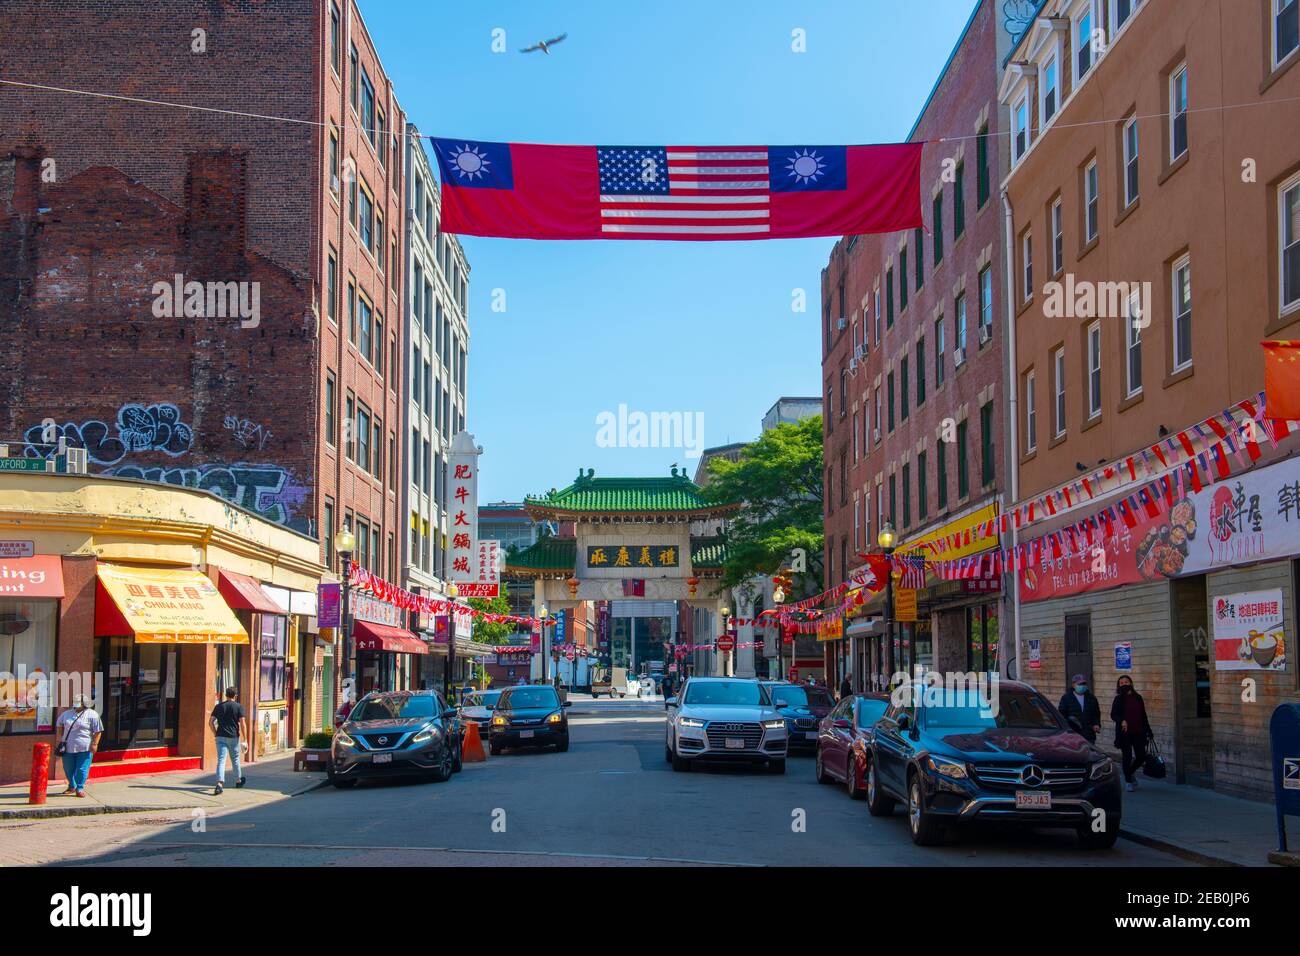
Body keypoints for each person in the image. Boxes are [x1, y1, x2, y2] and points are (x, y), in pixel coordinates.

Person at [54, 694, 103, 798]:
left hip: (85, 747)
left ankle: (79, 788)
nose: (75, 703)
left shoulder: (92, 714)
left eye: (78, 701)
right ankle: (72, 786)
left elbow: (98, 731)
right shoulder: (66, 714)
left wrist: (95, 744)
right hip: (67, 747)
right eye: (74, 701)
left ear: (84, 703)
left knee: (81, 769)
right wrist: (59, 739)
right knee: (68, 768)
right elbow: (59, 725)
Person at [1110, 675, 1152, 791]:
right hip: (1124, 733)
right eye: (1122, 683)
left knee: (1141, 756)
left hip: (1138, 731)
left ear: (1131, 683)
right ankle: (1128, 781)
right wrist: (1122, 720)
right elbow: (1113, 715)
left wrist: (1148, 730)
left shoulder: (1138, 698)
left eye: (1126, 682)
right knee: (1127, 757)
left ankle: (1130, 772)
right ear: (1119, 685)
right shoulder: (1118, 699)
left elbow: (1143, 715)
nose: (1124, 684)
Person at [210, 686, 247, 795]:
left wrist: (215, 733)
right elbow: (243, 724)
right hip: (233, 737)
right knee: (235, 759)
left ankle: (219, 784)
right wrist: (245, 738)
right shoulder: (238, 707)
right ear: (235, 696)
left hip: (220, 736)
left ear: (226, 695)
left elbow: (210, 722)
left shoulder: (219, 707)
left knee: (221, 760)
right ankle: (238, 780)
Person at [1058, 673, 1102, 743]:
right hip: (1073, 735)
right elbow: (1062, 714)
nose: (1082, 686)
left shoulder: (1091, 698)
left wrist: (1096, 724)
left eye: (1084, 684)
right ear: (1073, 685)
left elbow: (1096, 713)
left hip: (1089, 734)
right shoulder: (1066, 698)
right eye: (1079, 684)